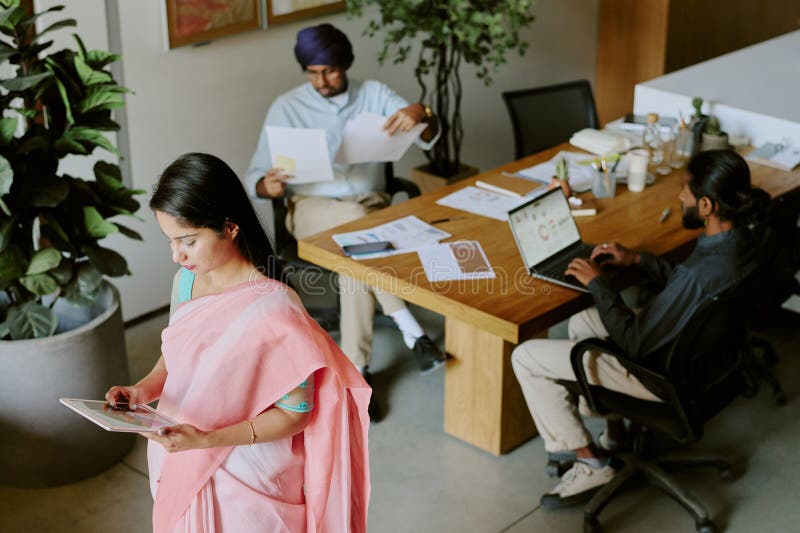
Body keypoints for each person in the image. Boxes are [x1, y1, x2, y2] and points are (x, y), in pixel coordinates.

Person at [105, 153, 371, 533]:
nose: (177, 255)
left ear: (228, 228)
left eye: (189, 241)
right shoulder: (185, 282)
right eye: (171, 241)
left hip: (249, 478)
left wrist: (208, 439)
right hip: (182, 456)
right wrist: (140, 391)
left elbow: (296, 414)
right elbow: (174, 360)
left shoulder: (276, 308)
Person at [511, 150, 767, 509]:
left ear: (706, 206)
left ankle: (591, 462)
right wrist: (638, 260)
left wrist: (599, 283)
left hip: (660, 374)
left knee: (525, 357)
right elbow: (686, 289)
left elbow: (634, 341)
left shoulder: (700, 274)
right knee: (583, 320)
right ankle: (616, 433)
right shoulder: (741, 241)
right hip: (706, 361)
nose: (679, 197)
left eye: (685, 191)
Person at [243, 23, 444, 416]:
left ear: (345, 65)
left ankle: (358, 372)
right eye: (312, 73)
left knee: (354, 252)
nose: (321, 81)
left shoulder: (374, 94)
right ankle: (411, 329)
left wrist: (423, 112)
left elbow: (427, 135)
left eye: (330, 71)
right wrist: (267, 186)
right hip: (311, 210)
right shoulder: (286, 106)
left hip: (370, 205)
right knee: (357, 229)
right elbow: (254, 176)